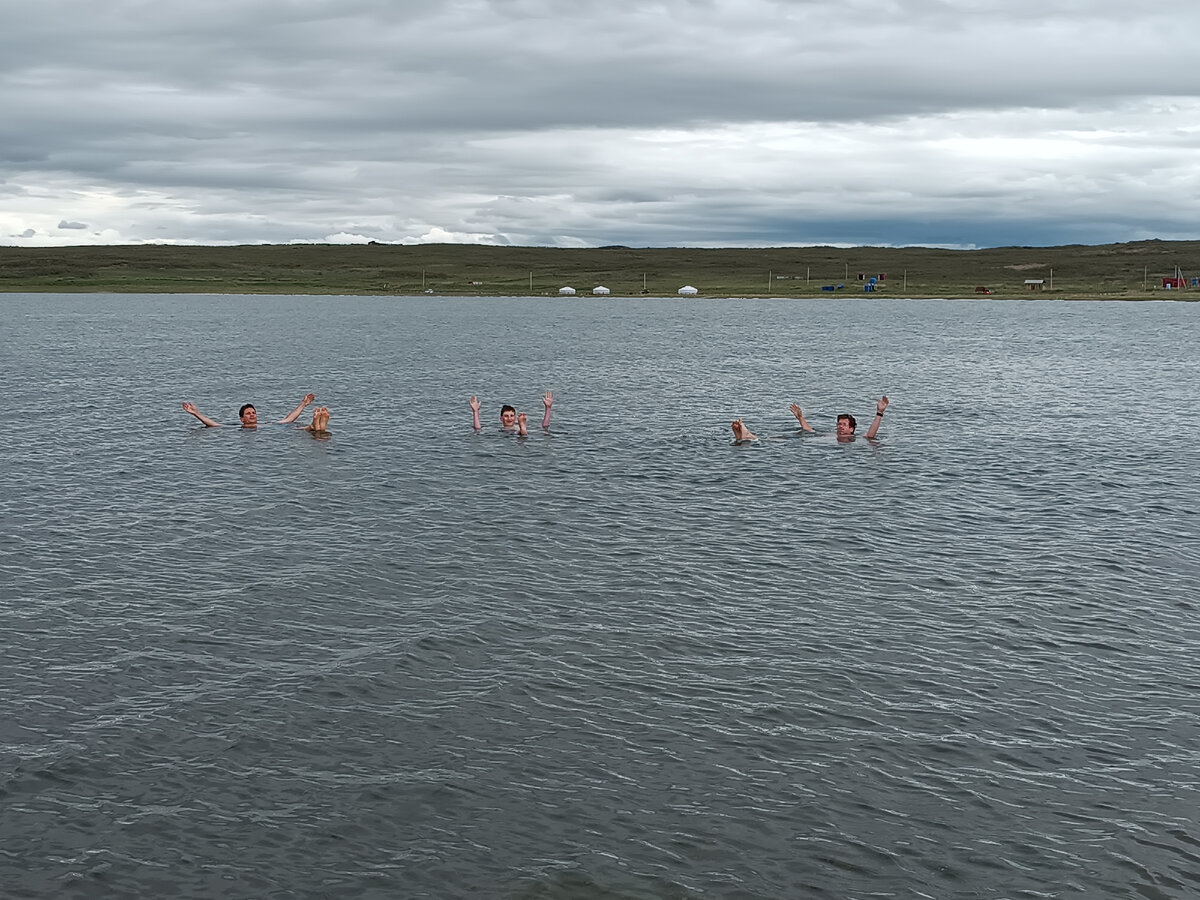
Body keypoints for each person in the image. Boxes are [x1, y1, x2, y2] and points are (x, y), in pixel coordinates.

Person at [181, 393, 316, 428]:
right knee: (303, 429)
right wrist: (196, 414)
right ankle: (314, 426)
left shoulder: (266, 425)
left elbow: (288, 419)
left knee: (291, 426)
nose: (252, 415)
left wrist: (303, 404)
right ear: (242, 419)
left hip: (268, 429)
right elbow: (215, 425)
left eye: (253, 413)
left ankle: (314, 426)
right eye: (248, 414)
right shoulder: (236, 428)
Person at [790, 395, 889, 441]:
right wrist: (800, 418)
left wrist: (879, 413)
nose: (840, 426)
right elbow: (809, 430)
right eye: (839, 424)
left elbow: (870, 435)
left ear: (851, 429)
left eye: (844, 424)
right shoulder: (830, 434)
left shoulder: (854, 437)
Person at [470, 390, 553, 436]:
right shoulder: (498, 430)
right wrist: (475, 412)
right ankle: (522, 430)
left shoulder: (516, 427)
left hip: (517, 431)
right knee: (520, 434)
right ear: (501, 418)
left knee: (542, 430)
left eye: (511, 416)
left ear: (515, 418)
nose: (509, 418)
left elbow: (545, 427)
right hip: (506, 433)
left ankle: (522, 430)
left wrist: (548, 408)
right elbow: (478, 429)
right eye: (506, 416)